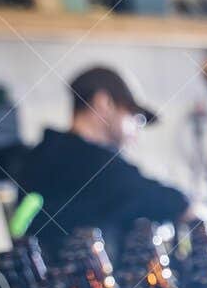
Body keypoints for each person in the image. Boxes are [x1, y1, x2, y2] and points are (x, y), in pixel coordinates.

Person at [15, 65, 189, 261]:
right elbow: (168, 201)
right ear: (104, 103)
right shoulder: (92, 163)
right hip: (85, 277)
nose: (136, 131)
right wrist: (193, 208)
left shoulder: (42, 154)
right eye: (135, 117)